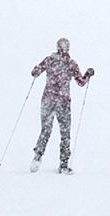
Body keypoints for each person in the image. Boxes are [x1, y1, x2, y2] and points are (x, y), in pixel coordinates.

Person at [29, 37, 94, 173]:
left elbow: (35, 73)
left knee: (45, 130)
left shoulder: (50, 60)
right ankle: (63, 164)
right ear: (68, 48)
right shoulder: (71, 64)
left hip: (48, 101)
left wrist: (37, 69)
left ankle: (37, 157)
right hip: (63, 103)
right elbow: (81, 82)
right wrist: (88, 74)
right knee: (65, 133)